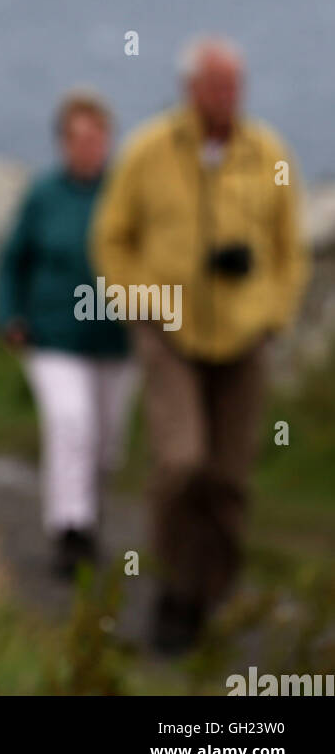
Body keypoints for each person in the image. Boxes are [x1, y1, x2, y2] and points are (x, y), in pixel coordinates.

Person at [91, 36, 308, 653]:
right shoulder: (149, 152)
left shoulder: (268, 154)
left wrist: (274, 311)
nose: (228, 96)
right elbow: (112, 238)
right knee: (182, 463)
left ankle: (209, 596)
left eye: (235, 85)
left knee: (229, 477)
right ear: (192, 88)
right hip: (170, 335)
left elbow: (290, 251)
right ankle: (171, 587)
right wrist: (143, 302)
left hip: (244, 337)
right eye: (217, 85)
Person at [0, 89, 134, 578]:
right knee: (71, 423)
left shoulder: (126, 195)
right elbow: (13, 260)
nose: (90, 147)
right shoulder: (44, 196)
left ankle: (88, 518)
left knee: (106, 441)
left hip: (117, 341)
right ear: (63, 143)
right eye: (80, 138)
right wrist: (9, 315)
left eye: (98, 138)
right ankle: (67, 530)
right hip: (53, 337)